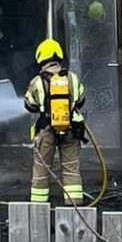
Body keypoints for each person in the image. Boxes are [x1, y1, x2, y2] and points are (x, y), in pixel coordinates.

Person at [24, 38, 86, 205]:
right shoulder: (72, 78)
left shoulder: (37, 82)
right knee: (71, 168)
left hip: (46, 132)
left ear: (40, 58)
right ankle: (74, 205)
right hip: (71, 130)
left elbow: (30, 105)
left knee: (41, 169)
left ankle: (38, 206)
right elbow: (80, 101)